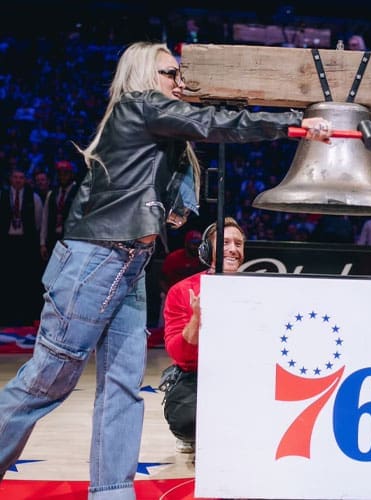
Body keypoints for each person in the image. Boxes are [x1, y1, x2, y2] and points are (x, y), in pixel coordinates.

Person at [0, 41, 332, 499]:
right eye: (169, 73)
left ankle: (113, 491)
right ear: (142, 75)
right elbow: (211, 122)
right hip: (96, 258)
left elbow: (174, 184)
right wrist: (290, 124)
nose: (180, 81)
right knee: (47, 380)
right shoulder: (138, 105)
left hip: (131, 263)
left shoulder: (159, 130)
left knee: (123, 386)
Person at [161, 217, 245, 455]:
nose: (233, 249)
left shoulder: (256, 288)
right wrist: (197, 319)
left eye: (238, 244)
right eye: (225, 243)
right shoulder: (181, 291)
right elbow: (179, 355)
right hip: (197, 376)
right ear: (207, 250)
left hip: (241, 376)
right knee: (187, 421)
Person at [0, 167, 45, 326]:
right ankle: (6, 316)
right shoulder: (2, 195)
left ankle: (24, 316)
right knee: (6, 280)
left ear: (25, 180)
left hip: (25, 244)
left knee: (24, 280)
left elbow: (38, 222)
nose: (18, 180)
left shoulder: (34, 198)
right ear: (10, 179)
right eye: (15, 177)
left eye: (21, 177)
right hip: (6, 243)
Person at [159, 229, 205, 294]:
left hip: (195, 295)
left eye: (199, 244)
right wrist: (169, 293)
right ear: (186, 243)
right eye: (194, 244)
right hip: (174, 293)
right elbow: (162, 279)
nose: (197, 247)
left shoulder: (204, 259)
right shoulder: (173, 257)